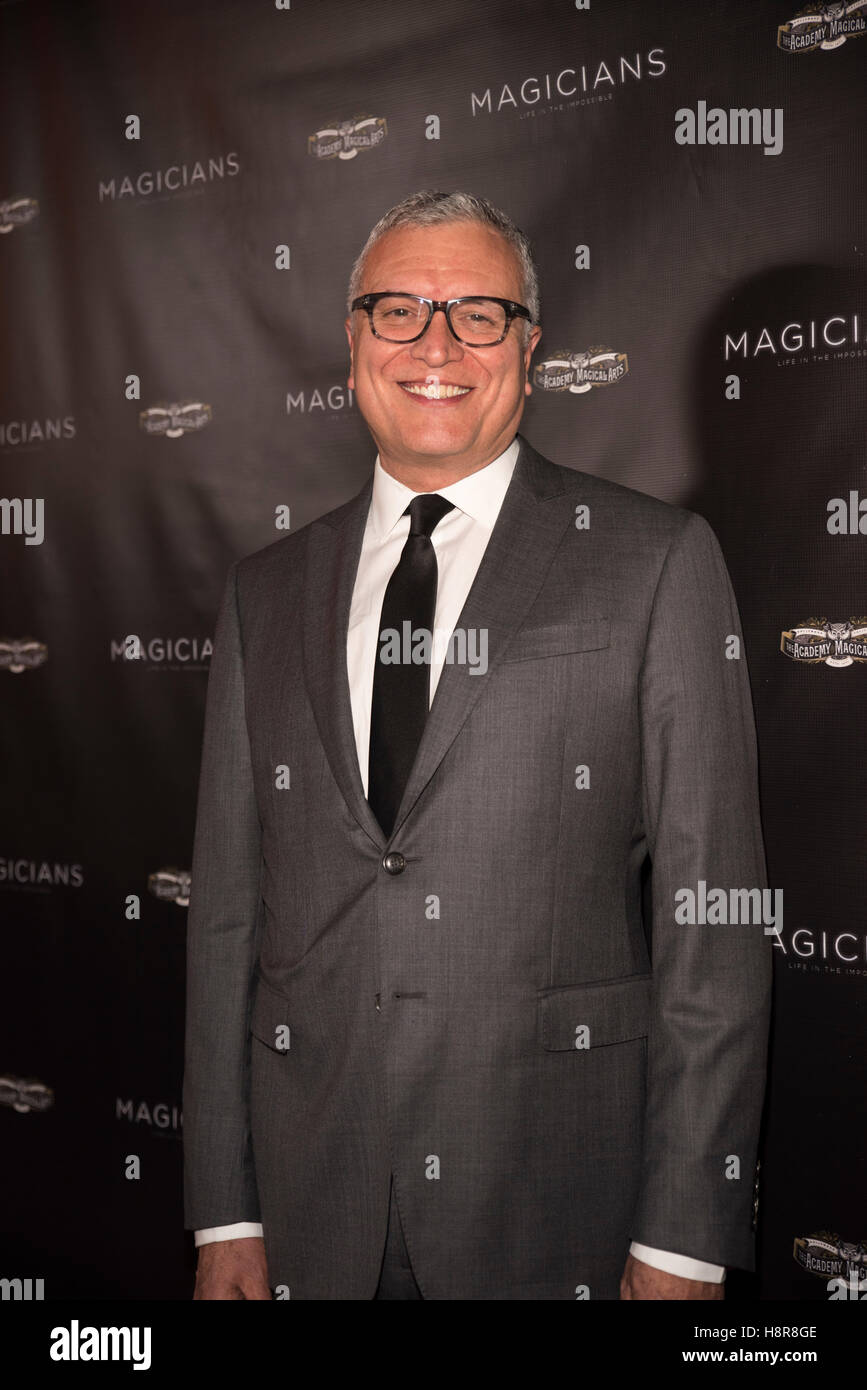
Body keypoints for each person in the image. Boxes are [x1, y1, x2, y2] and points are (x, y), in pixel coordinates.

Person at [183, 190, 772, 1300]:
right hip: (311, 1213)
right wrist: (224, 1210)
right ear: (352, 342)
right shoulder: (265, 594)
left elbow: (717, 921)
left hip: (561, 1221)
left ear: (531, 349)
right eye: (398, 310)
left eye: (478, 314)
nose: (437, 344)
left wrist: (683, 1241)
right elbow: (225, 918)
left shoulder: (654, 562)